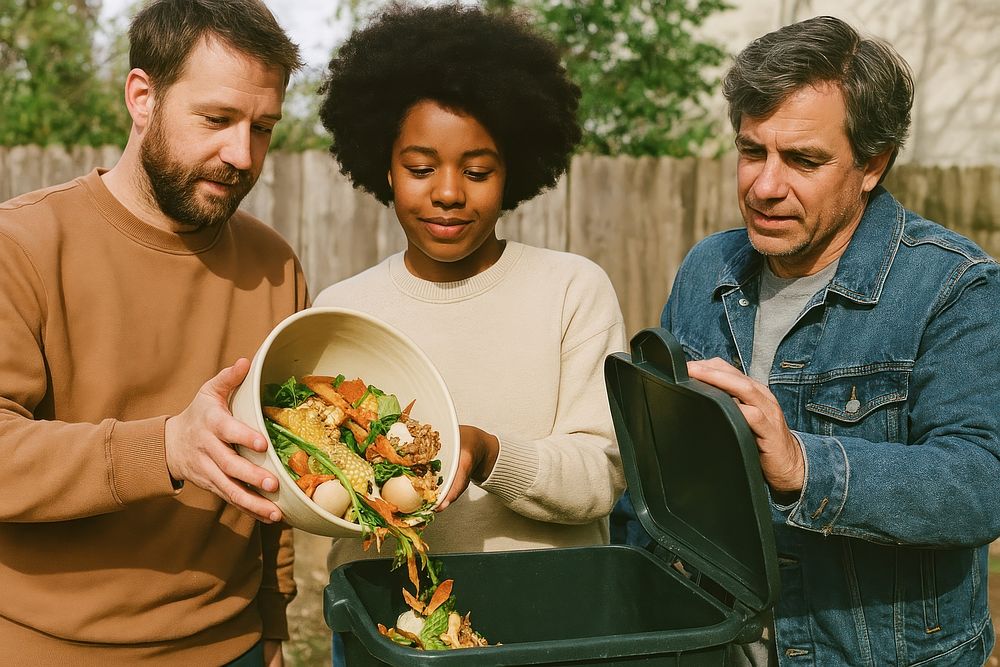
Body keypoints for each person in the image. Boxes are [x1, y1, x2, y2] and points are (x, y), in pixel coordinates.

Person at [618, 15, 1000, 665]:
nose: (765, 185)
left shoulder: (951, 285)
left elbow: (981, 482)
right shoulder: (708, 270)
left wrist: (803, 465)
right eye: (752, 150)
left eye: (802, 159)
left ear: (872, 164)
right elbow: (655, 473)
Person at [0, 0, 307, 664]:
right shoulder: (20, 245)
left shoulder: (275, 266)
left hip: (232, 646)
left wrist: (273, 619)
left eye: (263, 127)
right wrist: (166, 447)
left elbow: (275, 464)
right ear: (143, 97)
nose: (241, 154)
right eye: (217, 119)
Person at [314, 0, 625, 588]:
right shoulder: (340, 310)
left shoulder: (572, 291)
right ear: (385, 167)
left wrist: (490, 455)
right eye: (420, 167)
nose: (449, 193)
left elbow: (602, 476)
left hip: (551, 622)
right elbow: (318, 491)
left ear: (514, 173)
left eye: (478, 171)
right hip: (387, 626)